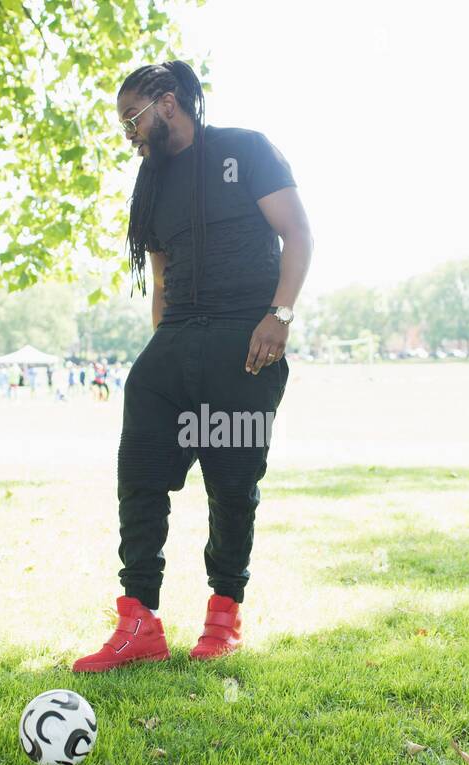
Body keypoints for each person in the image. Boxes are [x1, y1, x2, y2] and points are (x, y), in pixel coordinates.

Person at [73, 60, 312, 672]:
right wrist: (165, 349)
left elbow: (298, 233)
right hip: (176, 339)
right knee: (140, 476)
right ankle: (138, 621)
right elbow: (159, 278)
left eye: (133, 117)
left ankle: (223, 615)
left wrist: (278, 317)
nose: (128, 132)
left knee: (232, 486)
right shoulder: (151, 182)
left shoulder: (245, 150)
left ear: (168, 102)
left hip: (245, 339)